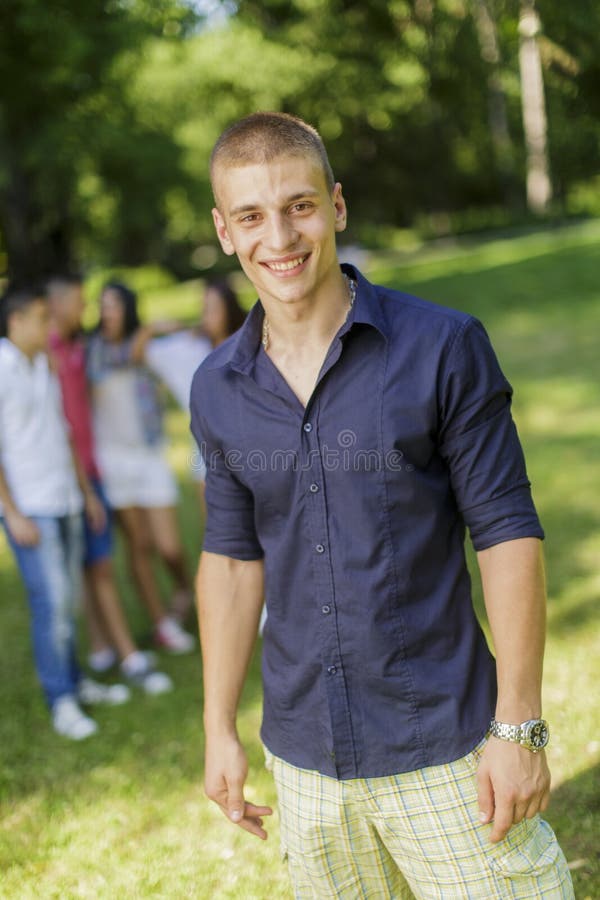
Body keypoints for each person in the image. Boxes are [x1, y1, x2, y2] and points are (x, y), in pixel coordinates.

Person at [191, 112, 574, 898]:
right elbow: (231, 559)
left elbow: (506, 530)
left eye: (298, 205)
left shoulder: (443, 347)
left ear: (336, 206)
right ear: (224, 231)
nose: (280, 237)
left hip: (448, 748)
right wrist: (218, 726)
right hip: (304, 764)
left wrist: (519, 726)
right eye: (253, 216)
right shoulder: (216, 387)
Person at [0, 284, 129, 741]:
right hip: (30, 507)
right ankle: (61, 701)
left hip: (67, 498)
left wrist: (87, 494)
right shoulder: (2, 367)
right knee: (50, 604)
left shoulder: (44, 365)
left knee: (68, 598)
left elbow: (65, 433)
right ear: (16, 322)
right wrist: (10, 513)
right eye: (40, 317)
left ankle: (77, 684)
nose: (49, 325)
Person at [46, 275, 173, 695]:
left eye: (106, 303)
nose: (95, 310)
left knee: (106, 561)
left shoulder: (75, 350)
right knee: (91, 565)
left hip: (107, 466)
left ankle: (124, 642)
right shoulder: (74, 352)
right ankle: (113, 648)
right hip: (85, 471)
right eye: (89, 302)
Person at [87, 282, 195, 648]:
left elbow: (176, 352)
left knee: (169, 546)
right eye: (103, 304)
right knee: (139, 546)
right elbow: (122, 360)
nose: (107, 311)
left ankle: (183, 588)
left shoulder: (147, 347)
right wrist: (150, 331)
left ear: (128, 307)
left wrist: (166, 332)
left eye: (114, 304)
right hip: (113, 459)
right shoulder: (95, 349)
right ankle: (161, 623)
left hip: (149, 456)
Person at [135, 279, 246, 501]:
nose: (207, 315)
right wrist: (155, 327)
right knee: (217, 530)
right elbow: (138, 354)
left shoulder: (249, 345)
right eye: (204, 308)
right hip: (208, 453)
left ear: (229, 308)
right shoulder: (189, 348)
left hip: (252, 452)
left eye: (214, 308)